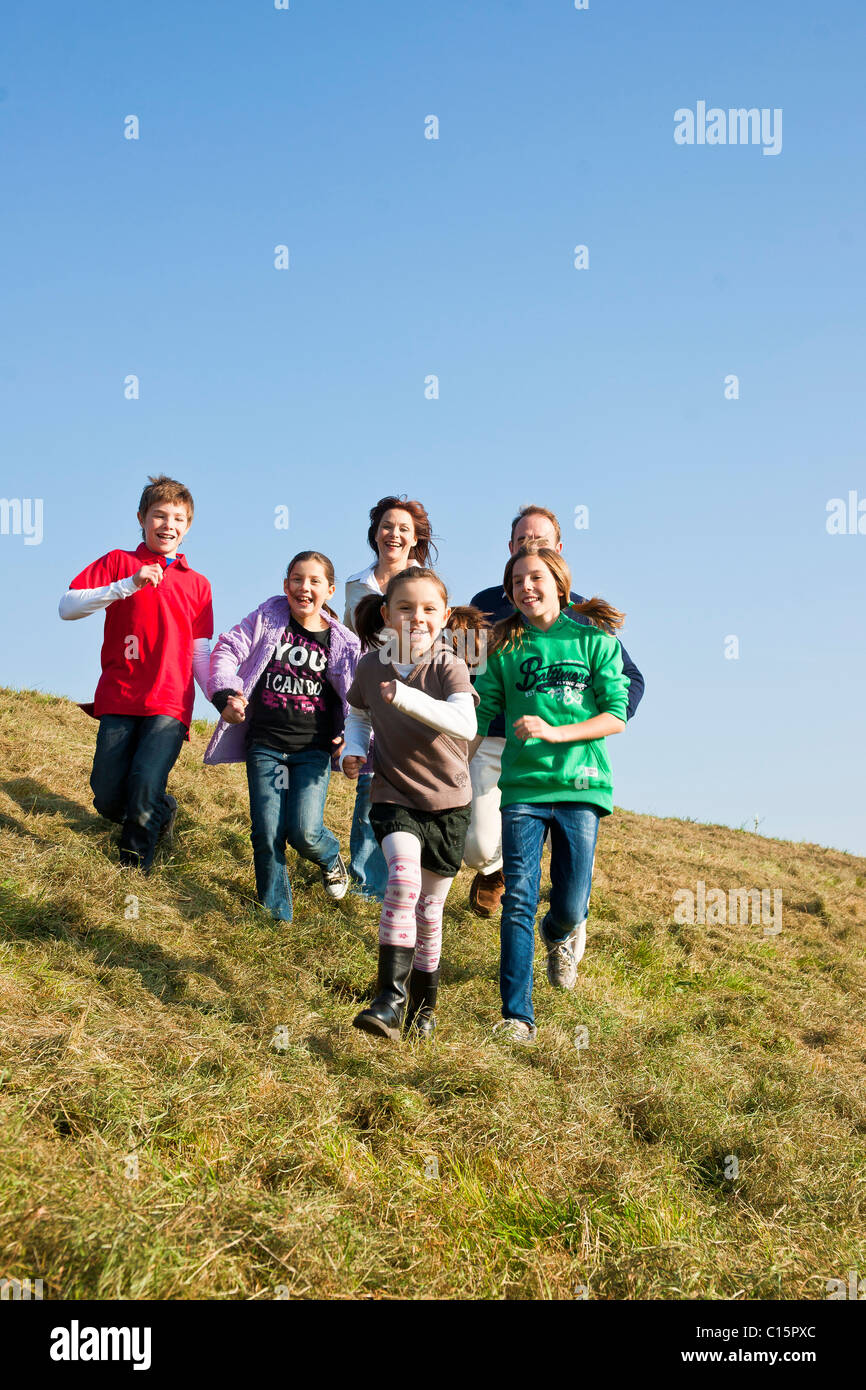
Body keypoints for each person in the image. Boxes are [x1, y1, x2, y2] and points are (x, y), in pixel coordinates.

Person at [472, 542, 632, 1044]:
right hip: (522, 790)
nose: (526, 588)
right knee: (518, 897)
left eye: (535, 578)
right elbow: (480, 714)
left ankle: (559, 934)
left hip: (582, 787)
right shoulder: (505, 647)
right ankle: (517, 1016)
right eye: (517, 582)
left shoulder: (594, 642)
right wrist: (451, 759)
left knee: (570, 901)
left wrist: (554, 731)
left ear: (559, 583)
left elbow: (616, 716)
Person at [466, 504, 644, 918]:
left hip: (561, 752)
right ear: (509, 548)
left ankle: (559, 920)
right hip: (492, 737)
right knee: (475, 846)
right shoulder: (485, 604)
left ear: (559, 550)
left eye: (541, 541)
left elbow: (631, 679)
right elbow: (463, 669)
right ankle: (493, 871)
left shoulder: (582, 612)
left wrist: (591, 723)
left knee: (563, 865)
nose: (531, 547)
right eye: (523, 541)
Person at [341, 567, 477, 1041]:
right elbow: (358, 711)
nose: (416, 617)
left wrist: (405, 697)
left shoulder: (448, 664)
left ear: (443, 617)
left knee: (431, 912)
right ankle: (388, 1001)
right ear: (386, 613)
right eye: (405, 607)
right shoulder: (370, 664)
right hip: (393, 793)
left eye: (427, 609)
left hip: (449, 803)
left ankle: (425, 1005)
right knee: (401, 883)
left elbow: (464, 723)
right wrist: (353, 749)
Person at [58, 474, 213, 872]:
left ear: (188, 526)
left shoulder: (198, 585)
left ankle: (132, 869)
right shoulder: (118, 562)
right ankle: (163, 809)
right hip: (120, 695)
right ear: (142, 518)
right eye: (159, 516)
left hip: (169, 702)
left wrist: (222, 695)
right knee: (107, 795)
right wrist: (127, 584)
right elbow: (68, 606)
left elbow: (200, 652)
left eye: (178, 518)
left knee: (145, 781)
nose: (168, 525)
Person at [203, 551, 357, 921]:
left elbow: (358, 696)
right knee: (267, 830)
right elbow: (227, 648)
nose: (304, 587)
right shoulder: (267, 619)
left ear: (330, 591)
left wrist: (350, 736)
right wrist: (225, 693)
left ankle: (330, 855)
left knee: (303, 831)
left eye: (314, 581)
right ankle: (276, 917)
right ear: (285, 584)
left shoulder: (344, 643)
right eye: (297, 579)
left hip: (311, 750)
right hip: (266, 746)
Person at [342, 495, 438, 902]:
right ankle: (366, 882)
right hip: (367, 697)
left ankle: (398, 881)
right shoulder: (353, 585)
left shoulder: (427, 585)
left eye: (403, 529)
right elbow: (347, 645)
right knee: (368, 786)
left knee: (399, 790)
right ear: (374, 533)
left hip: (412, 698)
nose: (393, 534)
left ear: (415, 538)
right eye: (386, 526)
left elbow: (441, 643)